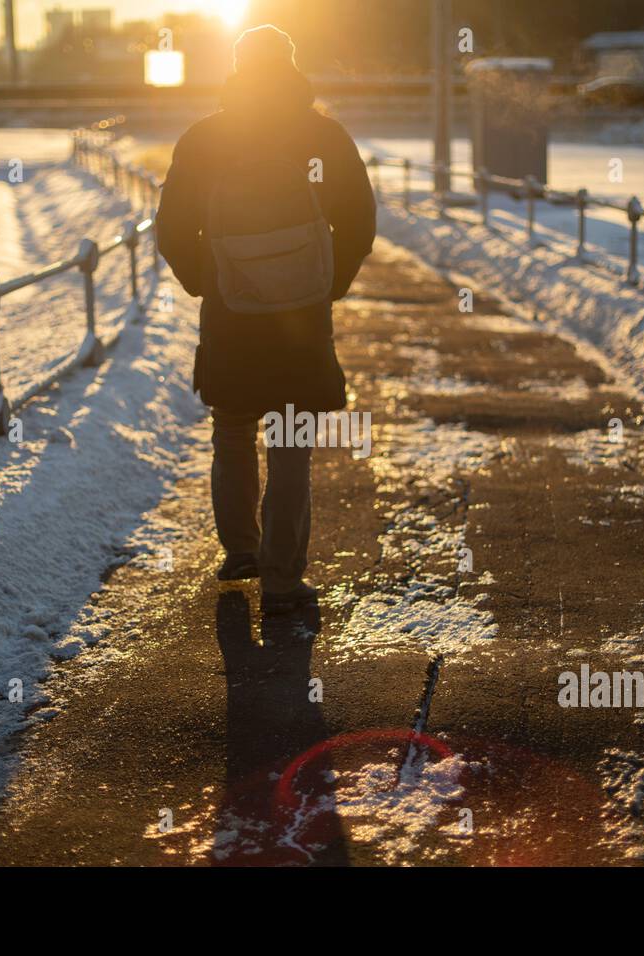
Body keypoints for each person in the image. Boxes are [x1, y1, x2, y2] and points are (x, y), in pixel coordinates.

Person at [156, 24, 376, 614]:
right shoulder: (321, 136)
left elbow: (171, 229)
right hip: (300, 320)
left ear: (236, 68)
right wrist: (328, 286)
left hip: (231, 315)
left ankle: (240, 552)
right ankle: (282, 579)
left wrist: (208, 282)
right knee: (290, 439)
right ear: (291, 66)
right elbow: (359, 221)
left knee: (232, 433)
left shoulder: (205, 139)